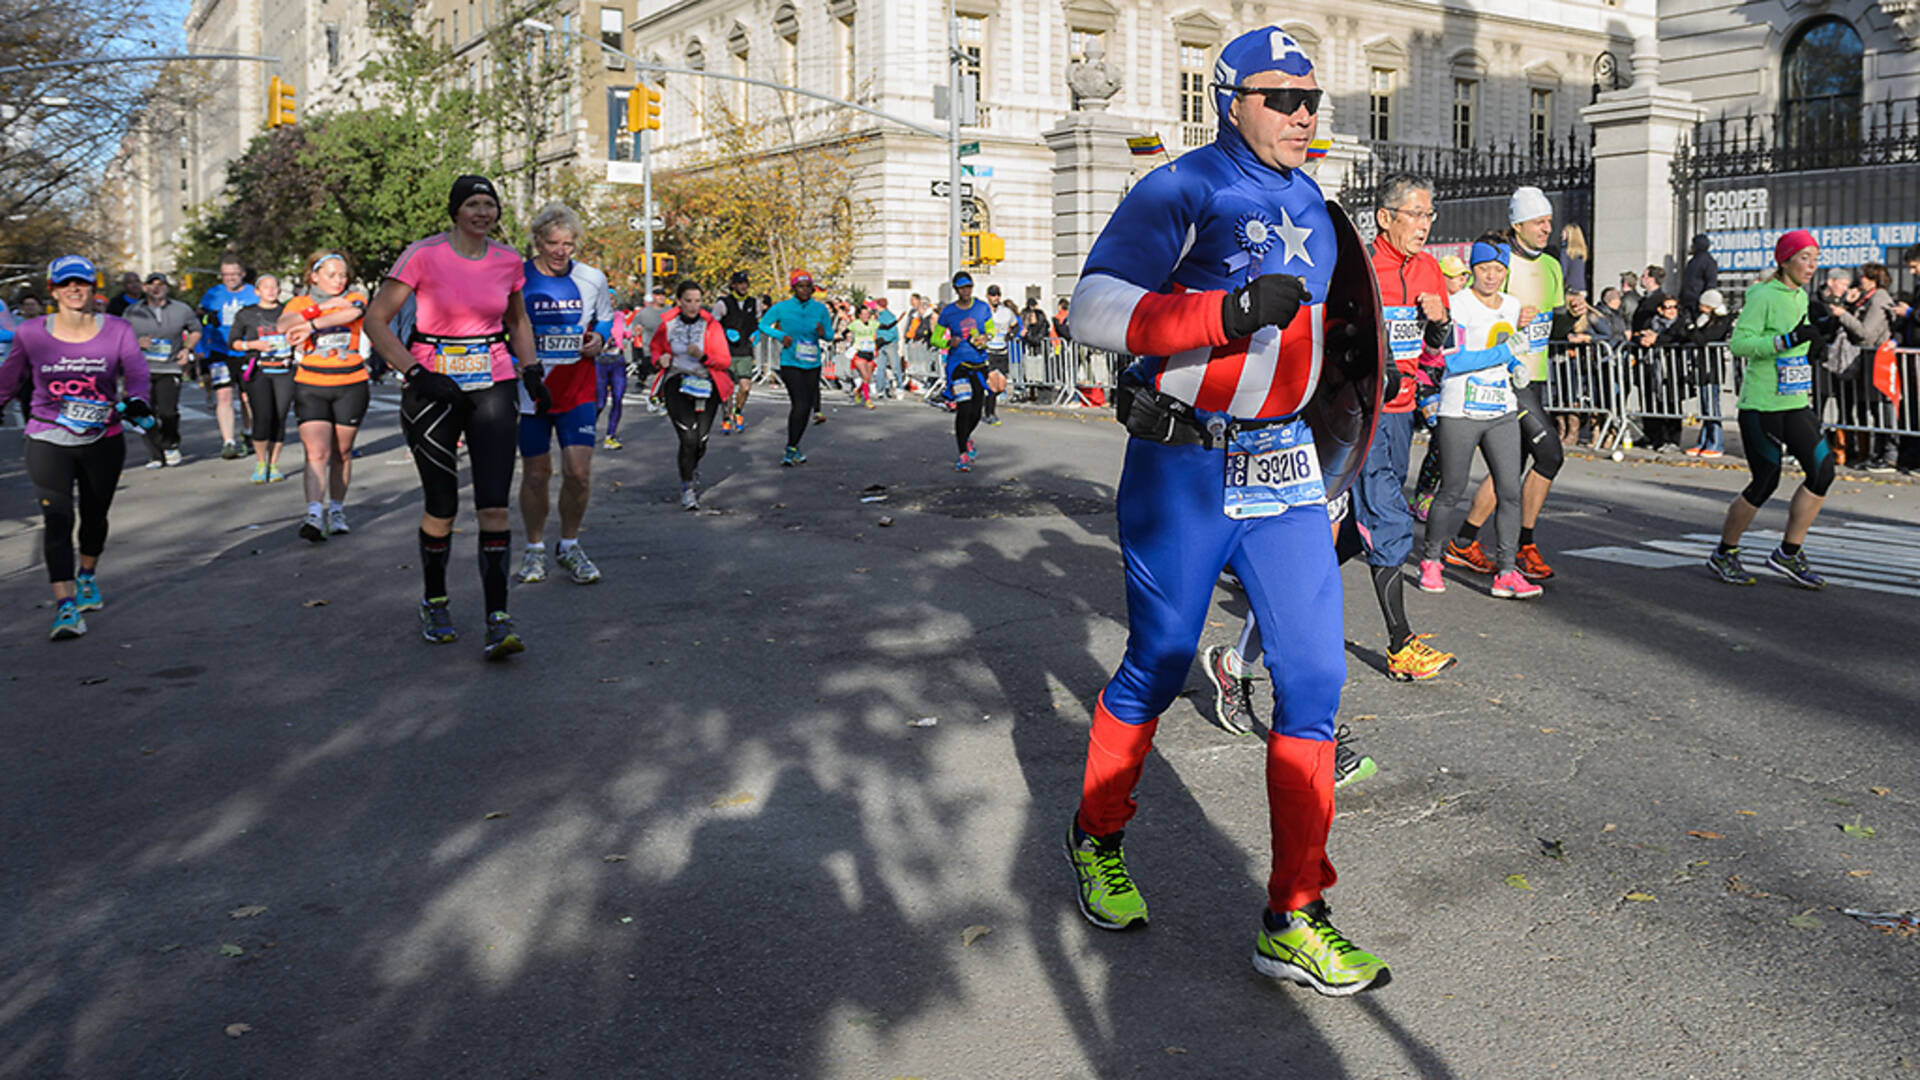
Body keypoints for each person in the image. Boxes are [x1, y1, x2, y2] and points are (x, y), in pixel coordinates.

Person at [1060, 25, 1389, 996]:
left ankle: (1294, 916)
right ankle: (1097, 836)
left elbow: (1341, 348)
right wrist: (1226, 313)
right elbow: (1091, 310)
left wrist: (1342, 459)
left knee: (1314, 679)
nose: (1302, 114)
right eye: (1281, 97)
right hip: (1184, 465)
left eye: (1312, 99)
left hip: (1284, 470)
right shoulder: (1181, 187)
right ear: (1229, 100)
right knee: (1160, 661)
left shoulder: (1319, 205)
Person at [365, 174, 545, 659]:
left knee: (493, 504)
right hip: (433, 385)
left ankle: (498, 618)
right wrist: (414, 372)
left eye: (489, 204)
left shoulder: (507, 259)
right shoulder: (423, 254)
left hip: (492, 380)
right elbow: (376, 320)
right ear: (456, 210)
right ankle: (435, 600)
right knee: (441, 505)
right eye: (473, 204)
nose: (483, 213)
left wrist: (531, 369)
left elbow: (516, 320)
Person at [0, 255, 153, 640]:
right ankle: (65, 606)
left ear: (92, 288)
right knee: (57, 518)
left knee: (94, 516)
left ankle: (87, 574)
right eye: (65, 283)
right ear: (52, 290)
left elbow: (136, 372)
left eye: (80, 283)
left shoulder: (117, 329)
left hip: (103, 438)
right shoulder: (31, 332)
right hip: (47, 435)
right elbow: (10, 378)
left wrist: (138, 401)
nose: (73, 289)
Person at [1344, 171, 1457, 679]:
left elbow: (1436, 349)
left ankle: (1271, 582)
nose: (1425, 224)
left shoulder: (1429, 267)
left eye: (1429, 214)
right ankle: (1400, 644)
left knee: (1355, 526)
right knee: (1388, 518)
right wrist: (1376, 366)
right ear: (1385, 217)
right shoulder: (1361, 266)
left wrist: (1439, 323)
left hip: (1402, 414)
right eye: (1415, 214)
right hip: (1362, 414)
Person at [1445, 187, 1566, 583]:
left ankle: (1464, 542)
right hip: (1505, 379)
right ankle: (1524, 545)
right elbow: (1479, 306)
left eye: (1549, 221)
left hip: (1536, 374)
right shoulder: (1500, 262)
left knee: (1511, 466)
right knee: (1550, 454)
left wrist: (1573, 314)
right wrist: (1514, 320)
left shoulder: (1551, 265)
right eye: (1539, 222)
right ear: (1518, 225)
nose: (1547, 228)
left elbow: (1557, 325)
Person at [1707, 230, 1836, 589]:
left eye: (1816, 258)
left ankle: (1788, 553)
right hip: (1762, 405)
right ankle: (1724, 553)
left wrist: (1811, 345)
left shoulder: (1801, 296)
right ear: (1785, 260)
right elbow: (1740, 343)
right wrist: (1786, 341)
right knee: (1766, 480)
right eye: (1804, 258)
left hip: (1794, 402)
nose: (1812, 265)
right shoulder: (1763, 295)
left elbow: (1798, 341)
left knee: (1823, 471)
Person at [1418, 238, 1540, 601]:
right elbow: (1454, 361)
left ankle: (1506, 572)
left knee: (1510, 491)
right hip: (1460, 409)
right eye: (1484, 269)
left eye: (1498, 270)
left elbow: (1505, 348)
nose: (1491, 276)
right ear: (1473, 271)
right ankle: (1431, 560)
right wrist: (1505, 352)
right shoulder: (1457, 305)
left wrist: (1515, 366)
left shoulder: (1512, 305)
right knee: (1451, 490)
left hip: (1501, 409)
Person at [513, 203, 614, 585]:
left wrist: (599, 338)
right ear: (538, 242)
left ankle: (569, 545)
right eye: (553, 243)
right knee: (537, 474)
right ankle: (534, 548)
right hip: (532, 392)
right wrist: (515, 362)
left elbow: (605, 317)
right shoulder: (517, 278)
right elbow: (501, 326)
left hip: (578, 388)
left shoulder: (591, 278)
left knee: (579, 474)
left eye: (568, 244)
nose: (560, 251)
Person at [281, 252, 371, 540]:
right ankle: (314, 515)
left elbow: (352, 313)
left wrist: (309, 326)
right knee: (316, 452)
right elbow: (283, 324)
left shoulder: (354, 296)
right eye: (331, 275)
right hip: (311, 385)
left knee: (342, 452)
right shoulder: (300, 303)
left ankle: (336, 510)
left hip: (351, 383)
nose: (338, 280)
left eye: (342, 275)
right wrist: (316, 310)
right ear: (314, 276)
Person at [650, 279, 734, 509]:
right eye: (688, 300)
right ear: (679, 301)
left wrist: (703, 357)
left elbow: (725, 361)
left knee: (701, 441)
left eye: (698, 301)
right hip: (677, 382)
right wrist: (660, 359)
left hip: (707, 383)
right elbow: (656, 349)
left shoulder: (711, 326)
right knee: (688, 438)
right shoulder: (668, 324)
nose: (693, 306)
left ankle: (691, 467)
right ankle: (688, 488)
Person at [757, 270, 835, 466]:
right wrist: (780, 336)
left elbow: (830, 335)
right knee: (799, 404)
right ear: (794, 289)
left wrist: (823, 333)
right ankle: (791, 449)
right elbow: (763, 325)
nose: (805, 290)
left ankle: (794, 445)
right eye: (801, 287)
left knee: (806, 407)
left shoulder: (820, 309)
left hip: (812, 363)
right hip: (790, 363)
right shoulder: (782, 307)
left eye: (809, 287)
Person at [121, 273, 199, 468]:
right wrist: (136, 343)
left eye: (161, 284)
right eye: (152, 285)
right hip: (140, 370)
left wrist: (187, 349)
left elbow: (196, 330)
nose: (156, 288)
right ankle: (156, 454)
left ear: (167, 288)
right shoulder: (132, 311)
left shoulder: (181, 309)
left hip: (169, 367)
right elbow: (120, 338)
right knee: (143, 413)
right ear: (145, 288)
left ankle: (170, 443)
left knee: (168, 411)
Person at [1830, 263, 1897, 473]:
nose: (1859, 281)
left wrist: (1843, 314)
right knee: (1871, 408)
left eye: (1863, 277)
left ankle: (1888, 454)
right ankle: (1873, 453)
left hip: (1879, 359)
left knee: (1881, 408)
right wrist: (1848, 305)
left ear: (1873, 279)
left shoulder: (1879, 299)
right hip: (1867, 361)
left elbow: (1866, 333)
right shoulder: (1866, 298)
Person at [229, 273, 295, 483]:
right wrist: (253, 345)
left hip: (284, 371)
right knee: (262, 417)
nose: (271, 290)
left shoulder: (289, 311)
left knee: (280, 417)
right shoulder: (246, 314)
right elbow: (234, 342)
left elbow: (299, 335)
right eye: (266, 287)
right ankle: (260, 462)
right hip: (259, 371)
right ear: (257, 291)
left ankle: (274, 464)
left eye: (274, 286)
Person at [197, 255, 258, 459]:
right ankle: (228, 442)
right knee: (223, 395)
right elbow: (200, 318)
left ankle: (248, 432)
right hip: (220, 350)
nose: (230, 278)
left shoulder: (253, 293)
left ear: (242, 274)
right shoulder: (213, 294)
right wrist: (203, 340)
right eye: (225, 275)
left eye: (234, 274)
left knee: (246, 397)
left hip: (246, 350)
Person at [937, 271, 994, 471]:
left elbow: (991, 330)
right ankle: (962, 454)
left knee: (977, 410)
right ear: (956, 290)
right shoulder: (949, 312)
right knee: (964, 407)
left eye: (968, 287)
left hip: (978, 364)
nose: (966, 291)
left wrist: (985, 338)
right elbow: (935, 338)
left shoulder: (982, 308)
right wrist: (947, 342)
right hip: (958, 365)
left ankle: (966, 436)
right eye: (962, 288)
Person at [1680, 288, 1734, 458]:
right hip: (1702, 367)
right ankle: (1703, 441)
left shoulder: (1722, 321)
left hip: (1713, 367)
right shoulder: (1703, 319)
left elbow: (1704, 339)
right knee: (1704, 407)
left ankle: (1716, 443)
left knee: (1712, 406)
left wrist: (1691, 328)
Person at [711, 270, 761, 432]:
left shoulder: (754, 303)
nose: (743, 286)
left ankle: (738, 411)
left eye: (745, 283)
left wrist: (757, 332)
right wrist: (725, 332)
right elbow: (712, 325)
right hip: (727, 351)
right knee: (727, 389)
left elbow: (758, 322)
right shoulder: (723, 303)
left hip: (745, 350)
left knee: (745, 387)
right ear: (733, 285)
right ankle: (726, 417)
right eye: (739, 283)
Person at [598, 302, 633, 450]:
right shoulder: (595, 316)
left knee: (618, 398)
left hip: (617, 361)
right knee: (600, 402)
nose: (609, 302)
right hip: (600, 362)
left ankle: (610, 436)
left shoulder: (619, 316)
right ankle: (587, 431)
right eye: (606, 298)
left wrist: (632, 333)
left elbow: (625, 333)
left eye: (612, 299)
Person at [981, 284, 1013, 424]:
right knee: (993, 385)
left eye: (998, 295)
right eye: (993, 295)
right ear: (987, 296)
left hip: (1002, 351)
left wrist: (1011, 334)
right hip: (989, 351)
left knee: (1001, 386)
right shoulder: (983, 311)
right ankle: (990, 413)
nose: (996, 297)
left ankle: (984, 400)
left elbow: (1015, 325)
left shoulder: (1006, 312)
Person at [848, 302, 880, 407]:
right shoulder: (855, 323)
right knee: (865, 376)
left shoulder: (873, 323)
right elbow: (845, 331)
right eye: (864, 314)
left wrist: (898, 320)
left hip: (870, 353)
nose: (866, 316)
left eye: (867, 314)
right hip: (859, 353)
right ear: (859, 315)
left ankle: (858, 391)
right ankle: (867, 400)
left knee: (868, 378)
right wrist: (848, 338)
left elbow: (886, 327)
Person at [1679, 234, 1718, 312]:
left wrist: (1706, 302)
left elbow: (1711, 284)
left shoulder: (1707, 262)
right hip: (1690, 300)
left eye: (1693, 244)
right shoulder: (1694, 260)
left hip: (1697, 301)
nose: (1691, 247)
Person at [874, 296, 901, 399]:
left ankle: (899, 388)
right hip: (881, 344)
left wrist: (884, 339)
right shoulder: (879, 315)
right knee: (880, 368)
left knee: (895, 367)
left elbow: (892, 331)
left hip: (890, 344)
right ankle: (880, 389)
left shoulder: (889, 316)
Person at [1561, 223, 1590, 298]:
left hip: (1570, 289)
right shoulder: (1582, 252)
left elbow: (1563, 271)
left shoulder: (1566, 252)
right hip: (1581, 288)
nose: (1562, 234)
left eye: (1564, 232)